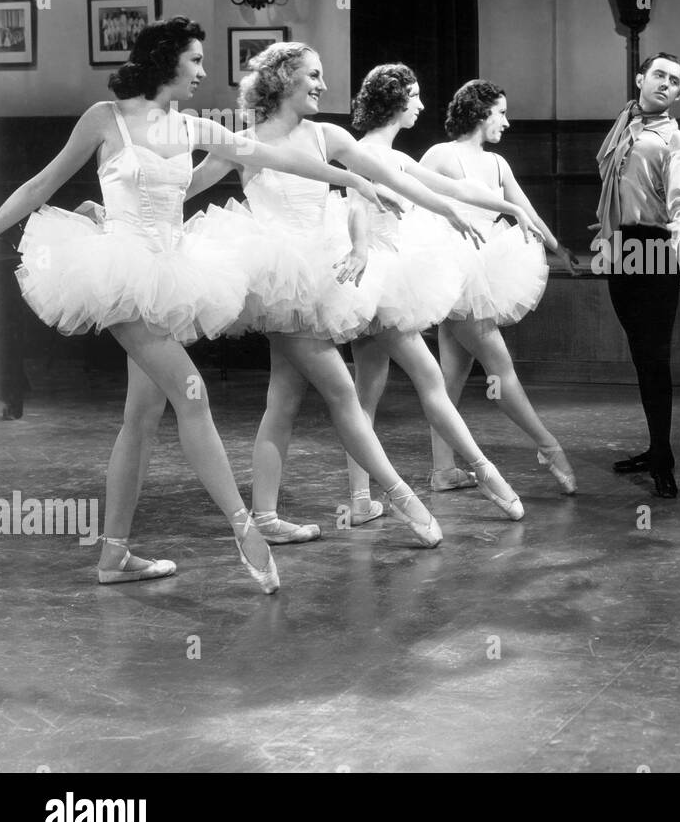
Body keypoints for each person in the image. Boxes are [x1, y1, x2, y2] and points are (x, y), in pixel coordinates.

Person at [0, 17, 393, 593]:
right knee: (193, 394)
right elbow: (39, 185)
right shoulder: (104, 119)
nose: (205, 72)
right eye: (196, 61)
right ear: (165, 62)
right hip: (120, 277)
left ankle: (113, 556)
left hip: (171, 273)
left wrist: (351, 179)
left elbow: (274, 156)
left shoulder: (194, 127)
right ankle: (245, 532)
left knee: (142, 417)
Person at [186, 43, 524, 547]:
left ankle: (268, 516)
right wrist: (119, 213)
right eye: (313, 75)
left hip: (323, 273)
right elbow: (180, 189)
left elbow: (395, 177)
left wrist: (450, 210)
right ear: (282, 81)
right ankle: (405, 498)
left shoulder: (328, 135)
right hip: (277, 275)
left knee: (283, 399)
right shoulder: (242, 143)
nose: (323, 85)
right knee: (342, 393)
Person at [407, 77, 579, 497]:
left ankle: (443, 470)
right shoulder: (442, 154)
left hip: (484, 270)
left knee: (450, 377)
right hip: (457, 273)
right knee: (500, 373)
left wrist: (559, 248)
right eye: (500, 112)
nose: (506, 120)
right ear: (481, 113)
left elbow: (524, 209)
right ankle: (548, 446)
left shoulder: (498, 163)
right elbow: (411, 197)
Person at [595, 52, 680, 498]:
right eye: (659, 74)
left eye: (674, 80)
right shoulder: (623, 123)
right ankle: (654, 447)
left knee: (655, 355)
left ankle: (663, 457)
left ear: (679, 94)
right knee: (640, 352)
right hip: (621, 244)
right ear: (641, 79)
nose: (665, 83)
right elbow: (618, 183)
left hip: (658, 246)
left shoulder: (676, 138)